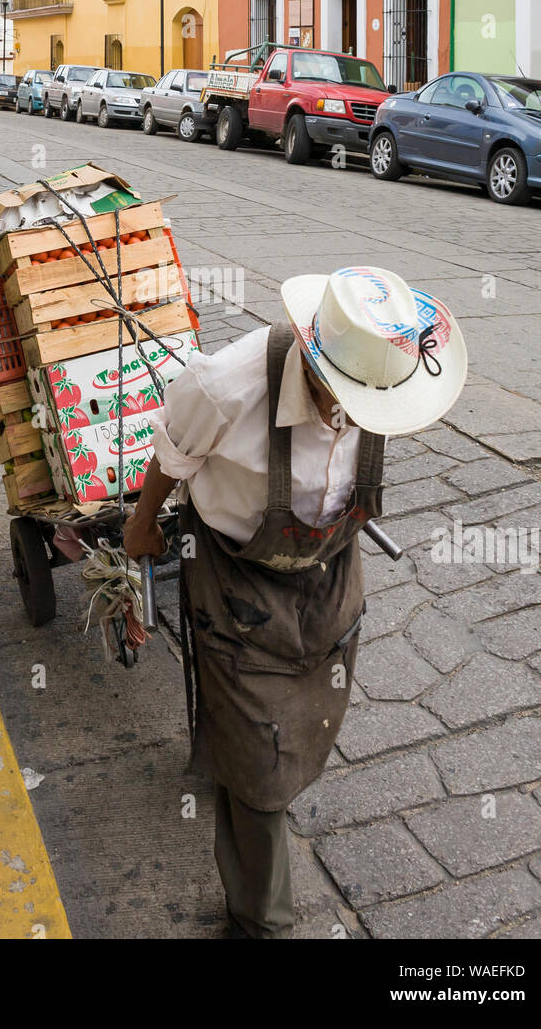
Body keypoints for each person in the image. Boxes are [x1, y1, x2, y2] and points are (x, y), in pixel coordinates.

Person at [123, 265, 467, 939]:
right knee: (258, 751)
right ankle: (262, 918)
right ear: (314, 359)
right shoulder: (222, 388)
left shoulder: (382, 368)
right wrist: (140, 528)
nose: (351, 414)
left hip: (330, 555)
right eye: (341, 397)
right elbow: (172, 457)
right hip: (236, 570)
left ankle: (250, 763)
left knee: (315, 690)